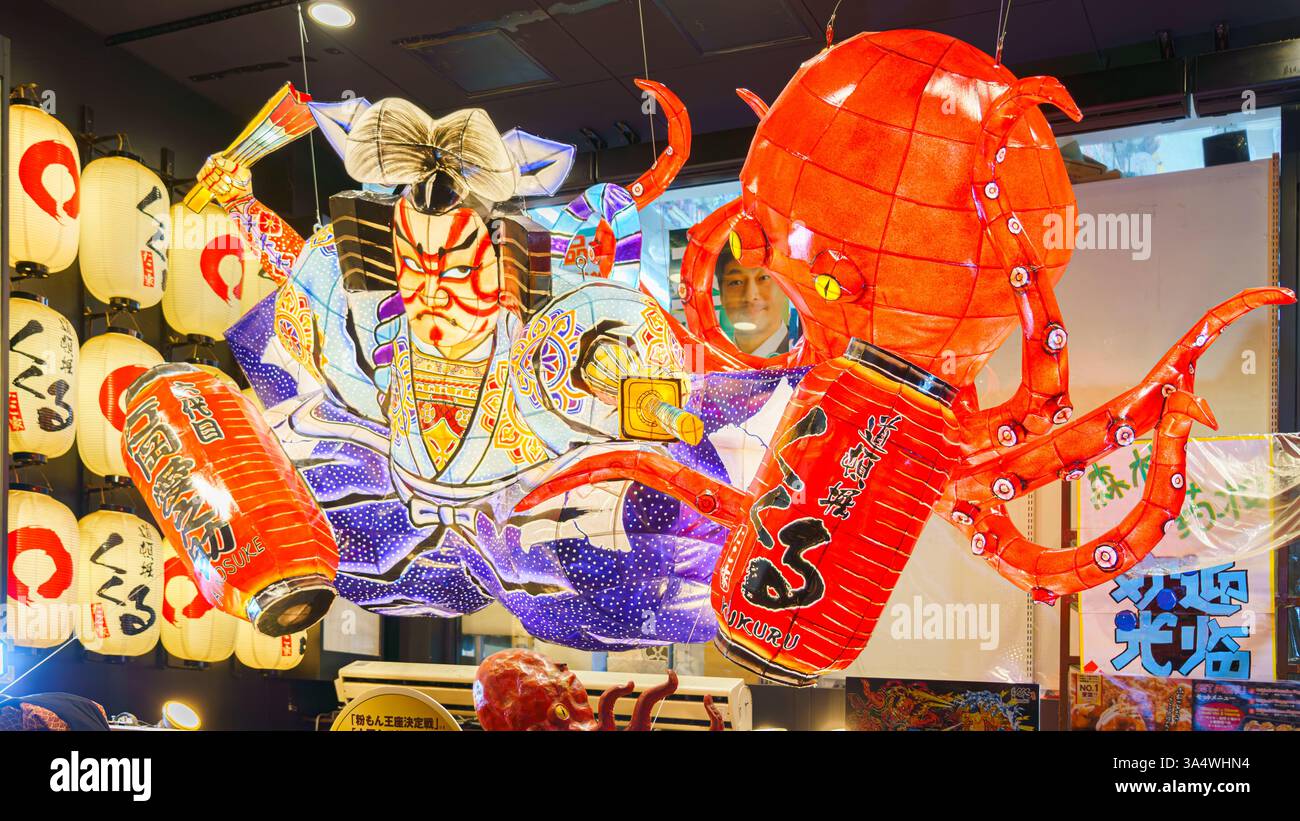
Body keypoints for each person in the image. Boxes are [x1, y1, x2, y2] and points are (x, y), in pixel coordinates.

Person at [717, 248, 790, 356]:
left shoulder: (808, 353)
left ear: (785, 288)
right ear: (722, 296)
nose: (750, 296)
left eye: (764, 278)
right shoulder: (705, 356)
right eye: (736, 282)